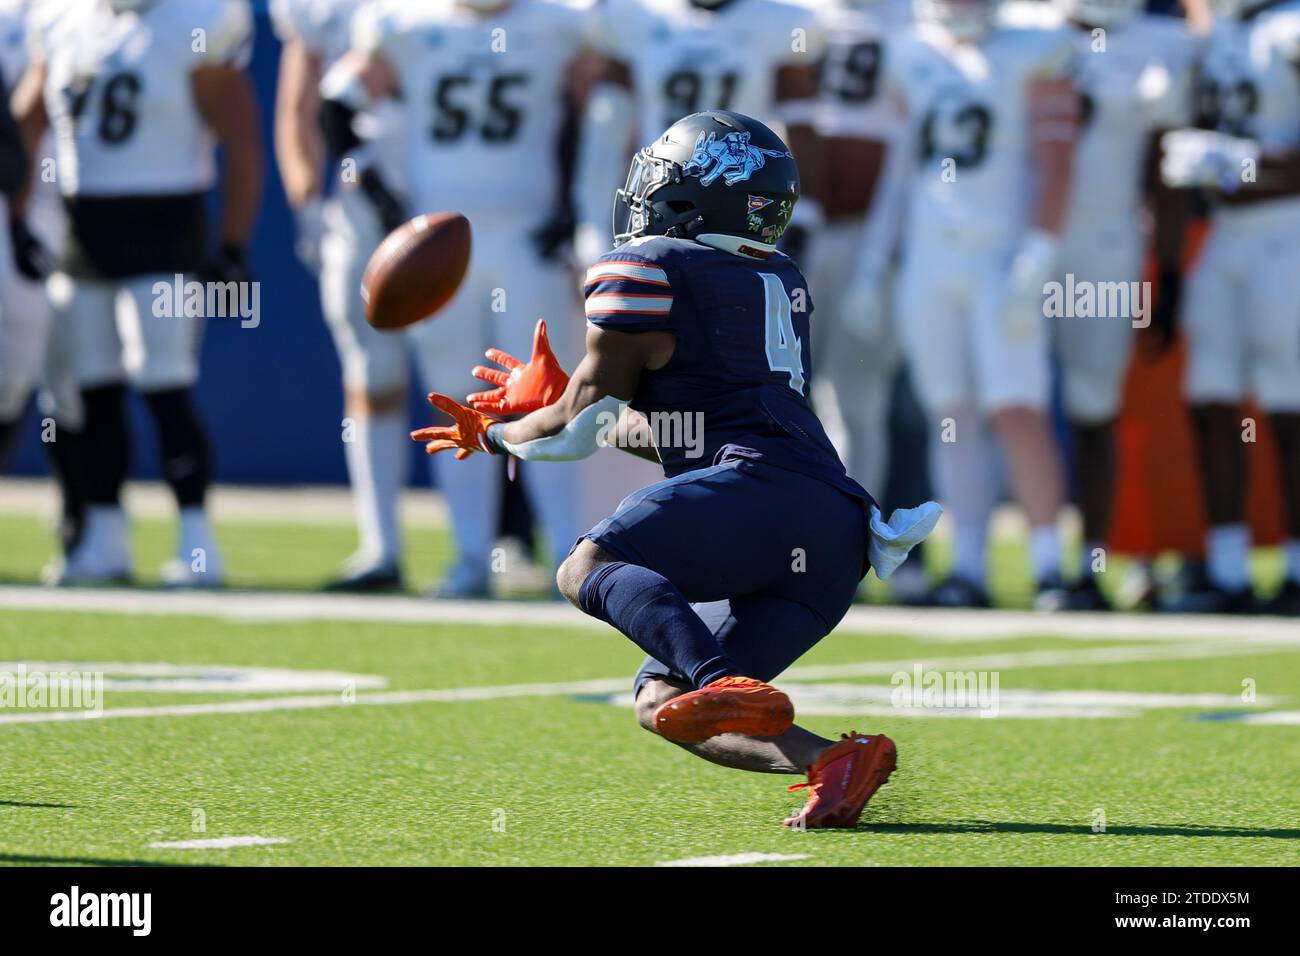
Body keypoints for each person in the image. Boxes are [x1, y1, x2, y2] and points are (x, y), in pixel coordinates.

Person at [412, 111, 938, 828]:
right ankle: (833, 761)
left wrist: (500, 434)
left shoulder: (648, 266)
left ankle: (728, 683)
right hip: (830, 531)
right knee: (663, 706)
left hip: (757, 493)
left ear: (691, 197)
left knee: (584, 566)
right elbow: (675, 435)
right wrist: (562, 397)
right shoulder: (777, 276)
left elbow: (575, 433)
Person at [320, 0, 589, 597]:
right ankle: (472, 555)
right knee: (458, 405)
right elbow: (335, 107)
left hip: (526, 236)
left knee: (550, 400)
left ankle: (572, 558)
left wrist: (578, 205)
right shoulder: (408, 24)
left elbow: (598, 111)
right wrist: (383, 200)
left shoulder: (560, 23)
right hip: (443, 243)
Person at [12, 0, 262, 586]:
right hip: (83, 226)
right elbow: (27, 120)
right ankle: (103, 539)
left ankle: (197, 541)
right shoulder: (62, 19)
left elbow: (242, 139)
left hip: (165, 226)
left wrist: (232, 242)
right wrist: (21, 217)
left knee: (163, 381)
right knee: (92, 390)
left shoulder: (194, 21)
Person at [887, 0, 1079, 608]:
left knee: (1017, 410)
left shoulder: (1035, 45)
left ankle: (1050, 563)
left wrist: (1038, 254)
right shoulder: (907, 50)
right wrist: (877, 262)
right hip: (929, 257)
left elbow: (1057, 161)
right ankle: (966, 561)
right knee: (951, 412)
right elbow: (900, 168)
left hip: (1001, 256)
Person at [1018, 0, 1200, 609]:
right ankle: (1030, 564)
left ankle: (1089, 563)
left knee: (1096, 409)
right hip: (1013, 241)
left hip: (1105, 245)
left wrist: (1168, 269)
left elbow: (1164, 168)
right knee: (1012, 405)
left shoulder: (1163, 41)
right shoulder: (1021, 30)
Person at [1160, 0, 1300, 614]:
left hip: (1286, 233)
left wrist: (1235, 163)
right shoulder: (1214, 31)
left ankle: (1295, 571)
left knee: (1289, 404)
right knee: (1211, 398)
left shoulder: (1288, 27)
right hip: (1223, 237)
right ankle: (1226, 567)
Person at [272, 0, 413, 591]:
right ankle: (379, 546)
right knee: (370, 374)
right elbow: (300, 108)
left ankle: (489, 545)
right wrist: (306, 204)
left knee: (475, 377)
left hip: (445, 186)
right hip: (359, 207)